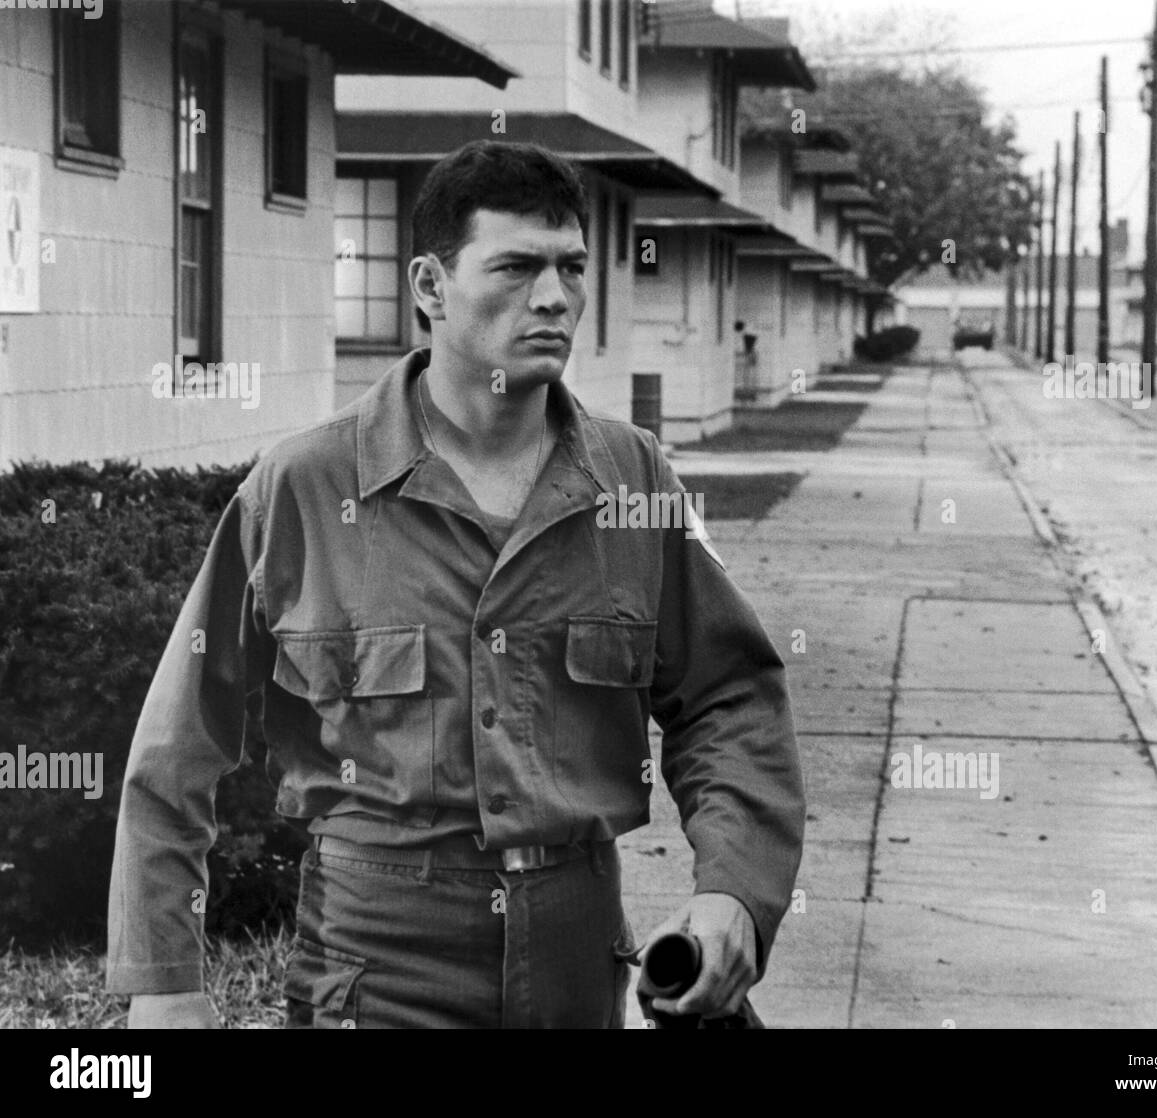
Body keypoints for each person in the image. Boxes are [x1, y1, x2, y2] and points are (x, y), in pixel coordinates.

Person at [107, 140, 804, 1029]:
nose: (554, 298)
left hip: (579, 960)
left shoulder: (635, 482)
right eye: (515, 267)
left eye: (571, 267)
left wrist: (734, 892)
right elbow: (176, 749)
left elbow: (730, 697)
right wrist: (166, 982)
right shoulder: (305, 489)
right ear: (431, 288)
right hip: (376, 968)